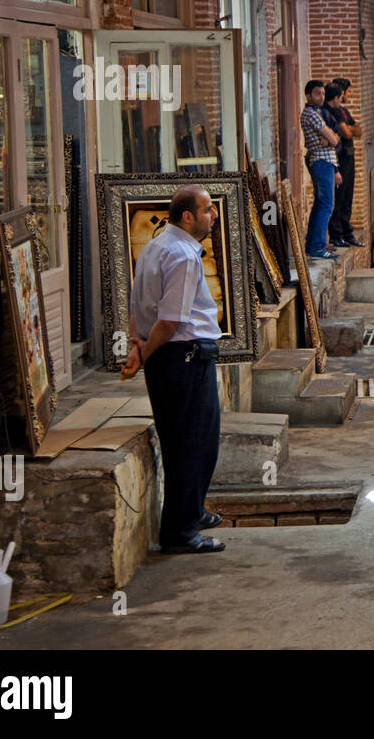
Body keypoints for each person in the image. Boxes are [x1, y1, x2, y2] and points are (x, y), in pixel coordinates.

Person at [124, 185, 225, 554]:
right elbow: (168, 321)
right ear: (187, 216)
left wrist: (138, 346)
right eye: (207, 210)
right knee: (191, 444)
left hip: (170, 355)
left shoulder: (153, 246)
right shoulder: (182, 255)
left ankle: (192, 511)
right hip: (182, 355)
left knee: (191, 439)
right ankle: (180, 533)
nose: (213, 216)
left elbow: (137, 305)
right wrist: (147, 351)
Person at [301, 79, 341, 259]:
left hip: (324, 162)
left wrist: (331, 136)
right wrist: (330, 137)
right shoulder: (312, 114)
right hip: (321, 161)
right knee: (326, 205)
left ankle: (312, 245)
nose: (321, 96)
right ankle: (318, 247)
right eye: (317, 93)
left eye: (323, 93)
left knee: (320, 204)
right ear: (308, 95)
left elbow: (334, 136)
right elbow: (334, 140)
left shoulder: (318, 113)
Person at [324, 79, 364, 248]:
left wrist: (350, 129)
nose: (348, 96)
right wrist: (349, 129)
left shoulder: (344, 112)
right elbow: (346, 133)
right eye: (347, 92)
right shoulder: (332, 112)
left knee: (347, 196)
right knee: (338, 197)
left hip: (349, 157)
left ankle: (347, 232)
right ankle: (336, 234)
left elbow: (359, 131)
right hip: (339, 158)